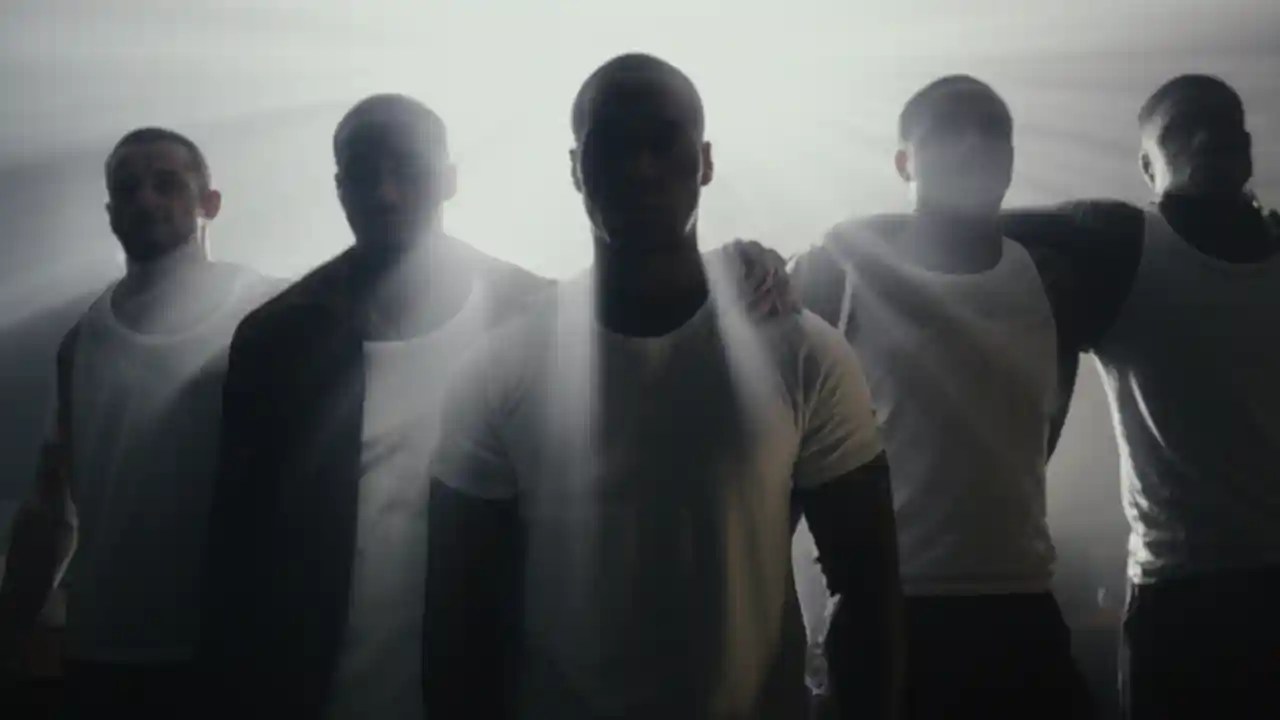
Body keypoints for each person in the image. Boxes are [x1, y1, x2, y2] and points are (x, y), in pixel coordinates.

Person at [424, 53, 903, 720]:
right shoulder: (500, 368)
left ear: (704, 161)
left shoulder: (803, 353)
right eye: (612, 146)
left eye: (662, 142)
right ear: (574, 169)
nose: (640, 168)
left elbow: (871, 587)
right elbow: (458, 619)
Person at [790, 76, 1094, 719]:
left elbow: (1042, 425)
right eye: (948, 132)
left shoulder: (1053, 280)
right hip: (888, 608)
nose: (972, 145)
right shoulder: (841, 275)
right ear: (904, 161)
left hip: (1022, 607)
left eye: (992, 132)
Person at [999, 74, 1280, 720]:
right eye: (1186, 126)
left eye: (1229, 122)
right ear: (1146, 166)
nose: (1214, 133)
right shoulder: (1121, 241)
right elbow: (960, 220)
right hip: (1184, 596)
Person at [0, 128, 279, 718]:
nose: (145, 200)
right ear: (110, 212)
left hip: (229, 649)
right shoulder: (82, 341)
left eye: (166, 184)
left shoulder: (272, 314)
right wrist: (11, 633)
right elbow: (51, 509)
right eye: (126, 189)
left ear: (210, 203)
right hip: (101, 651)